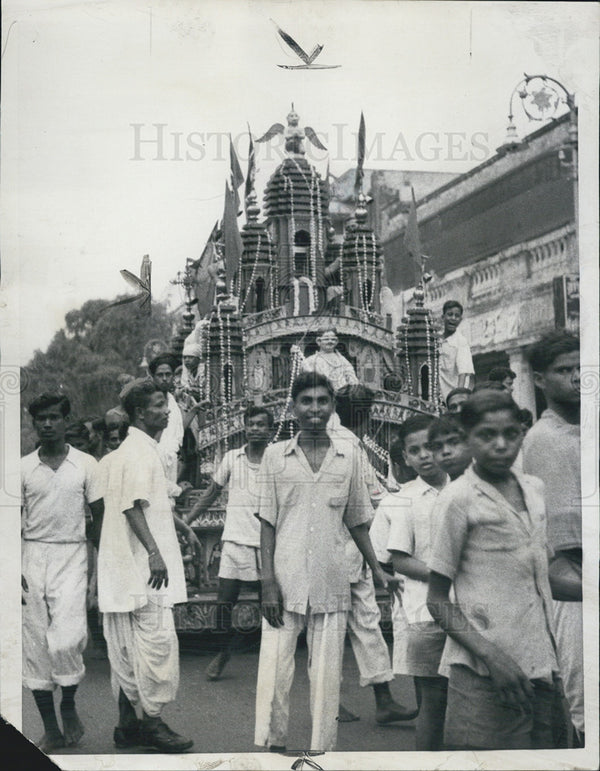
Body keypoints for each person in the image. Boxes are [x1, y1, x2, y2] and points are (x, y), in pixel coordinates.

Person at [254, 372, 400, 752]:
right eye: (307, 401)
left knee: (326, 675)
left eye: (322, 401)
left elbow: (357, 520)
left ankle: (322, 751)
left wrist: (378, 569)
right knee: (274, 670)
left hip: (332, 578)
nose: (314, 409)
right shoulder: (275, 456)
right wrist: (267, 582)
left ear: (333, 407)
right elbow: (267, 524)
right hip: (283, 580)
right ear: (294, 407)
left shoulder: (348, 456)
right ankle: (273, 748)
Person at [426, 390, 580, 750]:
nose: (500, 445)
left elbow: (540, 579)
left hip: (542, 666)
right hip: (484, 673)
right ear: (467, 438)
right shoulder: (458, 498)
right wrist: (493, 658)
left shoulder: (534, 489)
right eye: (486, 435)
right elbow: (437, 600)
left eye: (510, 434)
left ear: (522, 433)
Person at [95, 378, 193, 753]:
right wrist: (154, 552)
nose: (167, 411)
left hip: (124, 567)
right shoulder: (138, 452)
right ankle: (152, 724)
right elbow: (131, 506)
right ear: (139, 413)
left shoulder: (133, 450)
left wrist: (181, 527)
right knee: (156, 644)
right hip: (142, 569)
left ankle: (126, 726)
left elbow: (148, 504)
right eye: (158, 405)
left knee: (126, 647)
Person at [21, 393, 102, 753]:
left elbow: (99, 521)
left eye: (54, 417)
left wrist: (99, 569)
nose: (48, 424)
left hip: (72, 554)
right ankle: (51, 729)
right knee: (36, 644)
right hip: (32, 555)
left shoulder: (86, 464)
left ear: (66, 421)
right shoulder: (22, 468)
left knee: (68, 639)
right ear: (34, 423)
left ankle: (68, 704)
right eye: (41, 419)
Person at [332, 385, 417, 725]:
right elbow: (373, 496)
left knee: (365, 622)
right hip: (341, 547)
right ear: (365, 415)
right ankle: (331, 701)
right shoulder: (346, 446)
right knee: (334, 627)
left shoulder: (347, 442)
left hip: (354, 549)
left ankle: (383, 699)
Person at [522, 331, 583, 745]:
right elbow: (561, 541)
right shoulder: (544, 439)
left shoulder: (583, 432)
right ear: (540, 380)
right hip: (572, 579)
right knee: (586, 699)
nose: (577, 377)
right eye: (564, 370)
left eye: (582, 368)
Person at [184, 406, 274, 682]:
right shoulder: (232, 458)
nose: (255, 429)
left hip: (267, 544)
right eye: (251, 424)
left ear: (270, 430)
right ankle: (223, 653)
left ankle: (272, 660)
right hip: (235, 540)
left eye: (261, 424)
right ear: (245, 428)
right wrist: (187, 521)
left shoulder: (278, 460)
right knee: (224, 604)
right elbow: (212, 493)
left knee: (270, 605)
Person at [386, 415, 450, 750]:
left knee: (471, 700)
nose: (425, 455)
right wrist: (445, 575)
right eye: (415, 450)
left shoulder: (463, 489)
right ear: (406, 458)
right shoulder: (405, 499)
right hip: (425, 613)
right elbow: (399, 560)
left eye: (431, 446)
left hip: (471, 607)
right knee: (432, 702)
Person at [148, 353, 184, 494]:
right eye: (160, 375)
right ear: (153, 377)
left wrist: (193, 411)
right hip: (152, 458)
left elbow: (177, 430)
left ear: (173, 376)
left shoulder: (172, 400)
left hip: (171, 458)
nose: (164, 378)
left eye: (168, 374)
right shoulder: (148, 401)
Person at [300, 327, 359, 393]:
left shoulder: (343, 360)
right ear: (318, 341)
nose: (330, 341)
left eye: (333, 339)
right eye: (326, 339)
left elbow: (352, 378)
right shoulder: (310, 361)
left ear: (336, 341)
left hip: (343, 395)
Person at [438, 301, 474, 401]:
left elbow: (463, 372)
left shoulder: (461, 342)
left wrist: (458, 396)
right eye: (450, 314)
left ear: (460, 320)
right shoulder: (436, 339)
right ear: (443, 317)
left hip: (452, 394)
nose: (453, 318)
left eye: (457, 316)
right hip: (436, 394)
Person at [427, 415, 472, 480]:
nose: (445, 451)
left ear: (469, 443)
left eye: (454, 443)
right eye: (437, 447)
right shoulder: (447, 487)